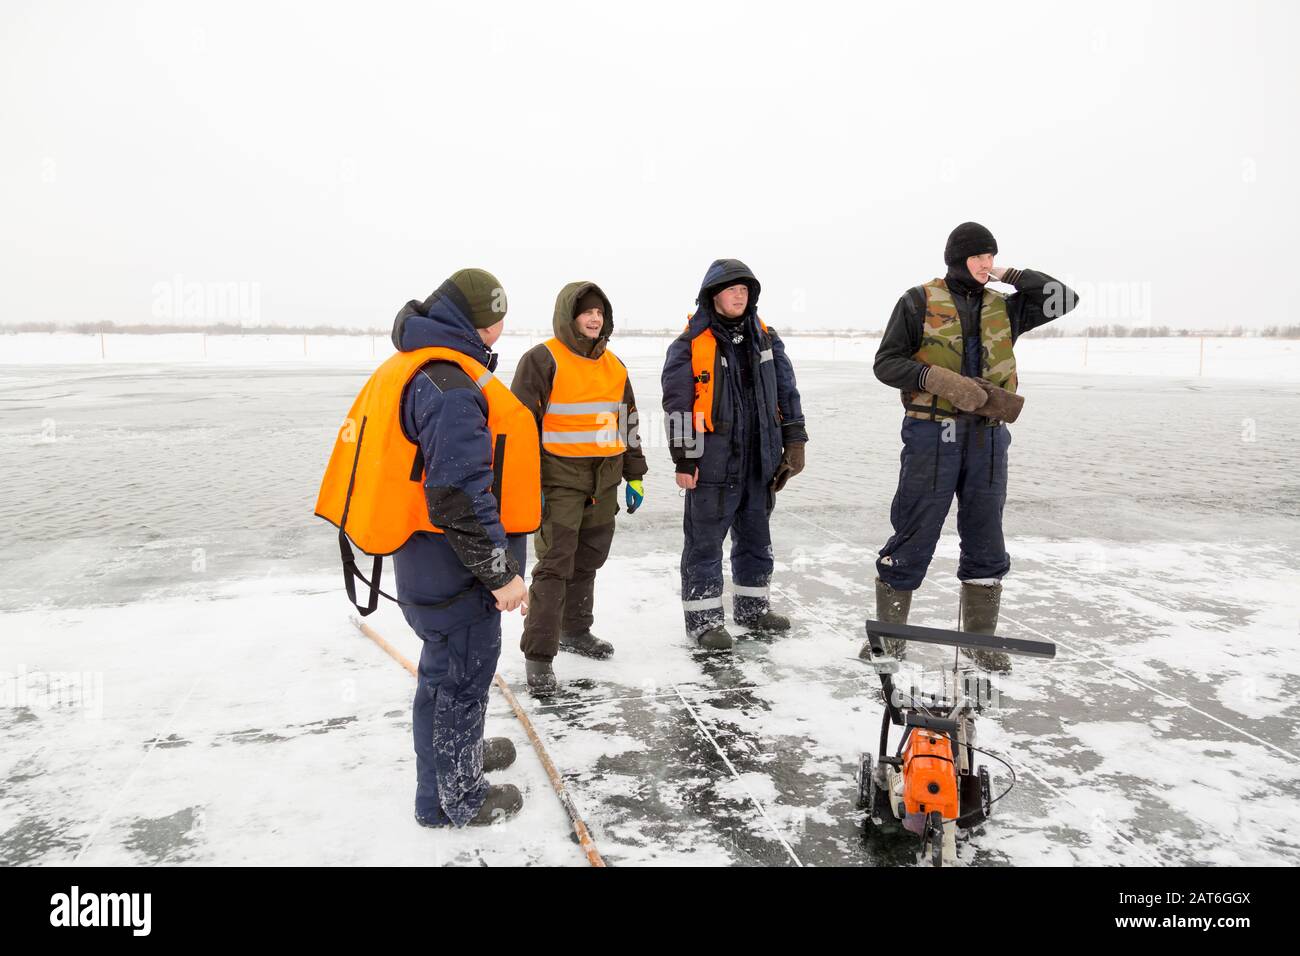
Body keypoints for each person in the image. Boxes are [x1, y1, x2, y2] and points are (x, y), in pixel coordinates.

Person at [315, 268, 541, 827]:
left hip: (428, 559)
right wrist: (501, 574)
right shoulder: (450, 386)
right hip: (453, 568)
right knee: (458, 681)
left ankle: (455, 759)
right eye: (492, 317)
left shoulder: (419, 367)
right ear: (467, 321)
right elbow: (459, 495)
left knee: (446, 676)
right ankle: (452, 799)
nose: (499, 328)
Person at [866, 222, 1077, 670]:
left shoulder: (1005, 307)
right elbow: (886, 363)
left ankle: (980, 641)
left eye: (992, 256)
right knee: (914, 528)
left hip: (987, 436)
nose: (986, 263)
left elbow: (1065, 297)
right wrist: (934, 378)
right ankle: (889, 640)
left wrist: (1012, 273)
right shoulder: (918, 300)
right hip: (932, 433)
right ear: (958, 258)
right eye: (980, 256)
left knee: (986, 535)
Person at [661, 258, 808, 650]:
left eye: (745, 290)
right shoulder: (689, 345)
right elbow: (677, 404)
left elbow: (787, 392)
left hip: (760, 461)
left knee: (757, 539)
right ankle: (705, 623)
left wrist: (794, 443)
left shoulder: (766, 339)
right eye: (732, 289)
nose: (739, 295)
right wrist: (685, 459)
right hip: (712, 463)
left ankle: (753, 610)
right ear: (714, 295)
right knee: (704, 544)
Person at [510, 282, 648, 697]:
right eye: (586, 312)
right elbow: (520, 430)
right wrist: (526, 484)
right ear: (569, 317)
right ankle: (539, 657)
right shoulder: (541, 359)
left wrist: (635, 473)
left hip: (603, 479)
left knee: (588, 560)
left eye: (600, 313)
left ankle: (575, 631)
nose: (594, 319)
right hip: (558, 479)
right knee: (554, 565)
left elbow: (629, 422)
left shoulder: (615, 366)